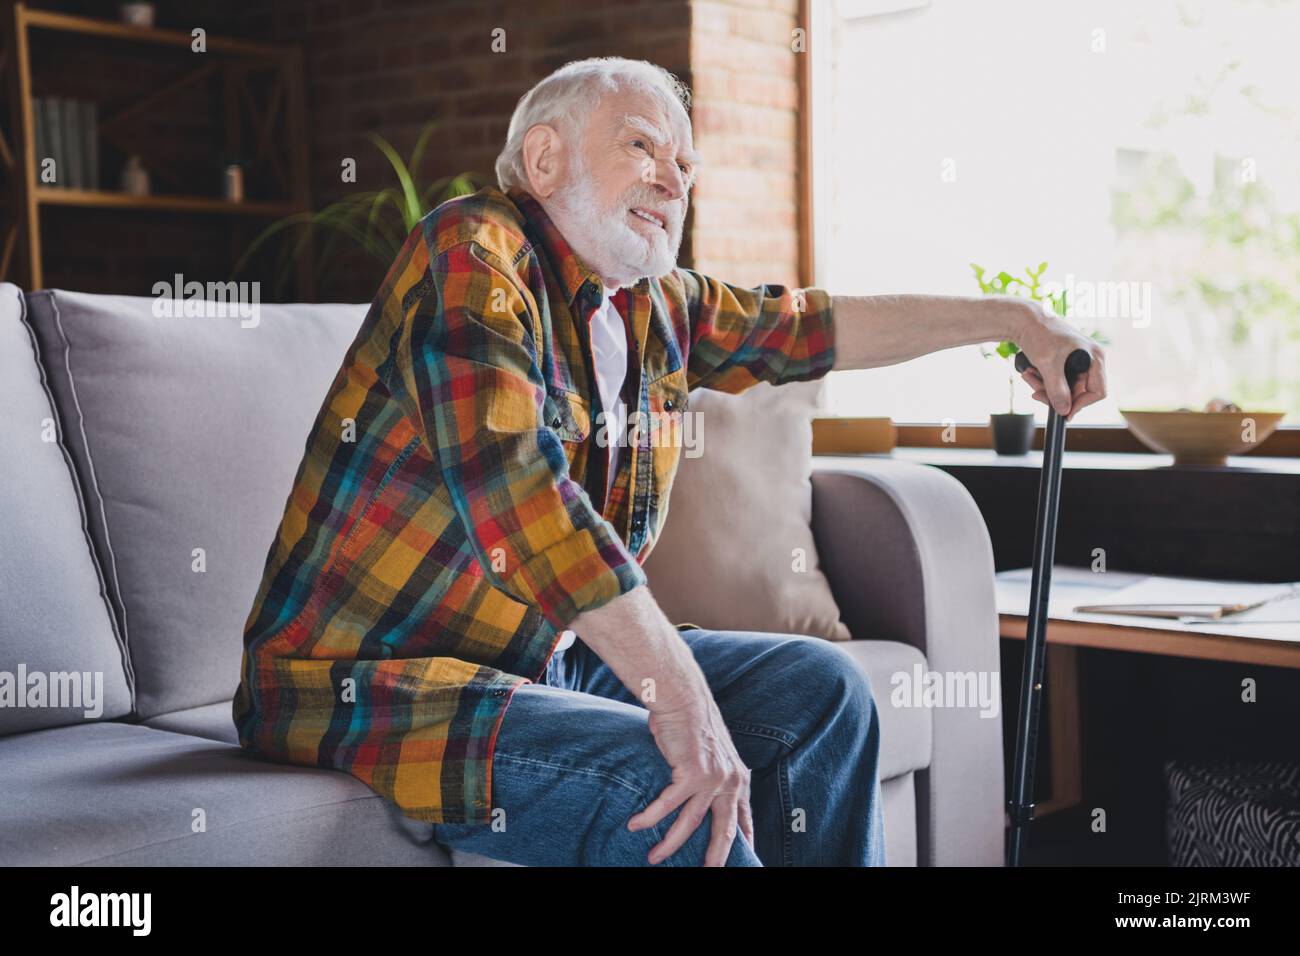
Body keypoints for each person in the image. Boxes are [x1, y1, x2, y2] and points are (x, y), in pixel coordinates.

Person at [233, 56, 1107, 867]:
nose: (673, 178)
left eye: (686, 164)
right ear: (545, 161)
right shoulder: (472, 254)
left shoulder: (656, 307)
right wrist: (676, 693)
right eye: (642, 145)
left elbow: (816, 326)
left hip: (541, 659)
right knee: (671, 780)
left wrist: (1013, 318)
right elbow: (518, 492)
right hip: (367, 682)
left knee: (825, 693)